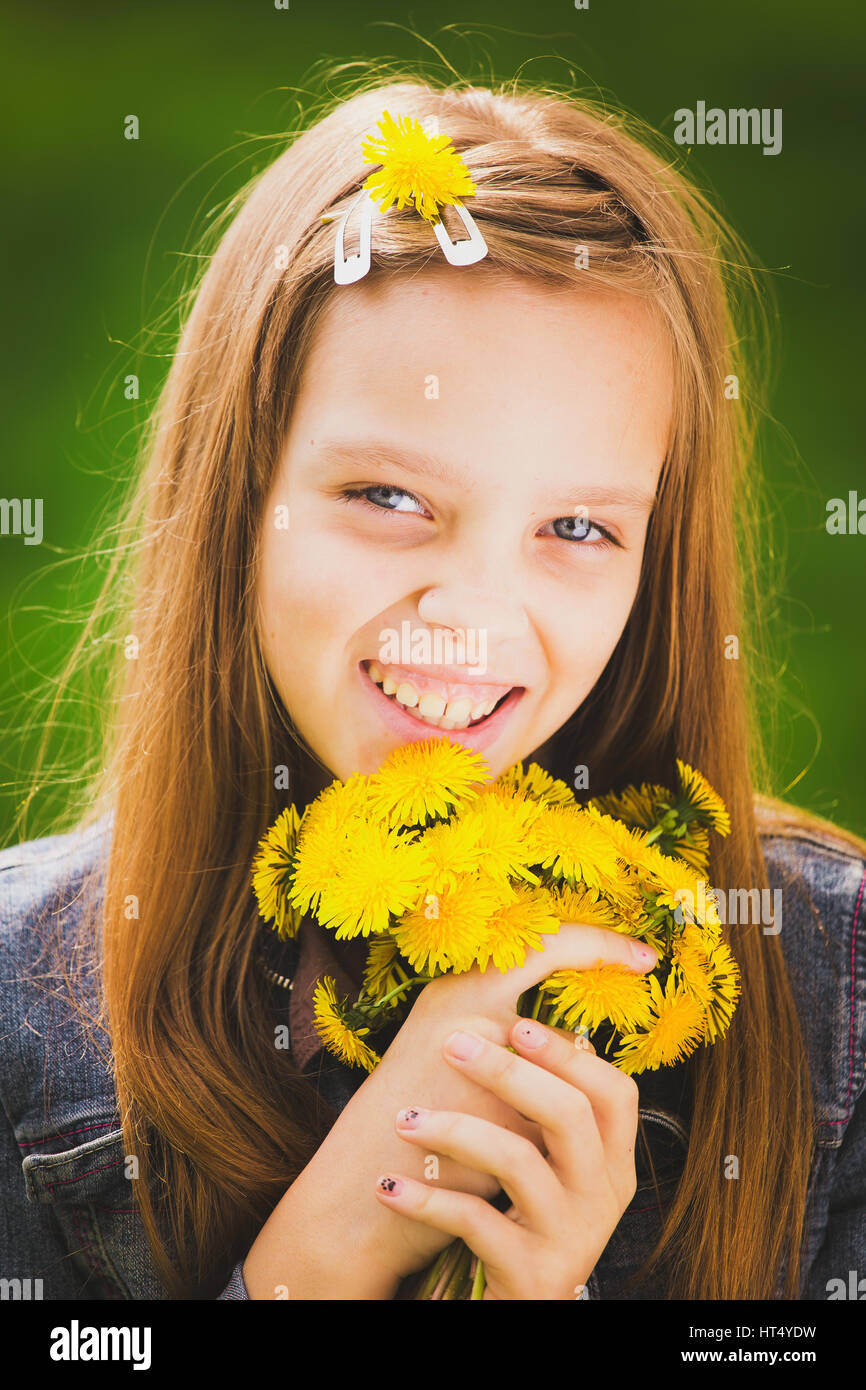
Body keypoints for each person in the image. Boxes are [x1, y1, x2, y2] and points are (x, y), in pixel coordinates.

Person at [1, 77, 863, 1302]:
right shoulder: (18, 1002)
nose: (472, 613)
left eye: (576, 525)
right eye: (389, 497)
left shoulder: (832, 987)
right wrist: (320, 1265)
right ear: (241, 492)